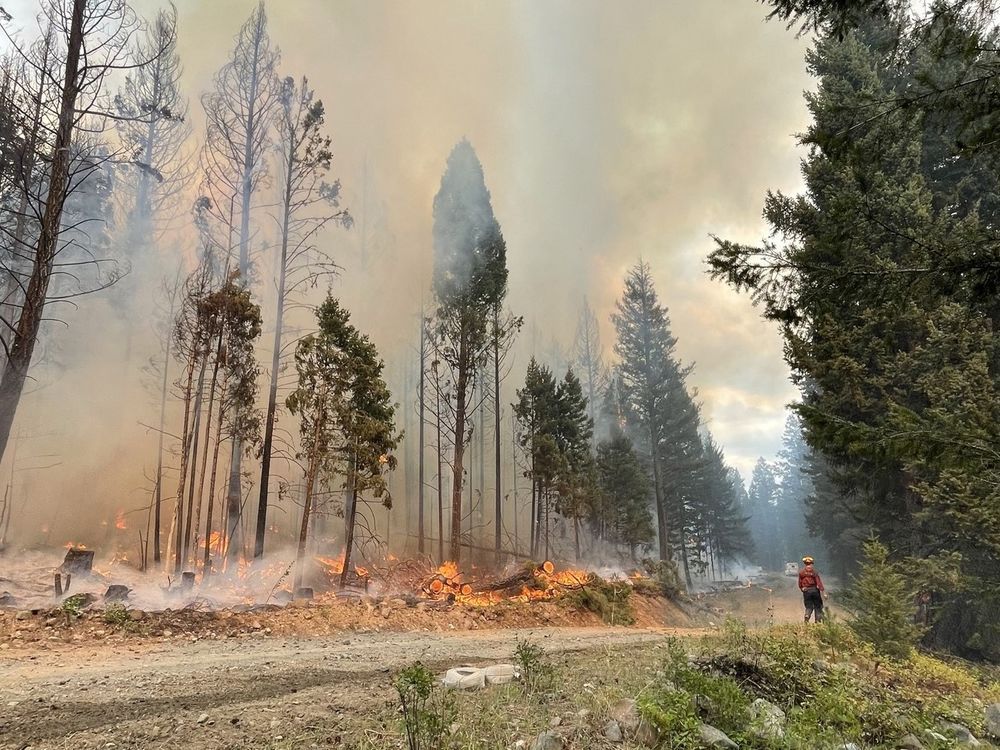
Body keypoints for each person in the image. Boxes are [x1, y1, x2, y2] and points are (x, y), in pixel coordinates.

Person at [798, 556, 825, 623]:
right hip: (815, 590)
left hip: (806, 591)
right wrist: (823, 591)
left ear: (805, 564)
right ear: (811, 563)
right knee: (817, 606)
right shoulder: (814, 572)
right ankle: (817, 621)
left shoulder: (801, 572)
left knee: (809, 606)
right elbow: (818, 582)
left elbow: (800, 583)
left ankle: (807, 615)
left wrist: (802, 588)